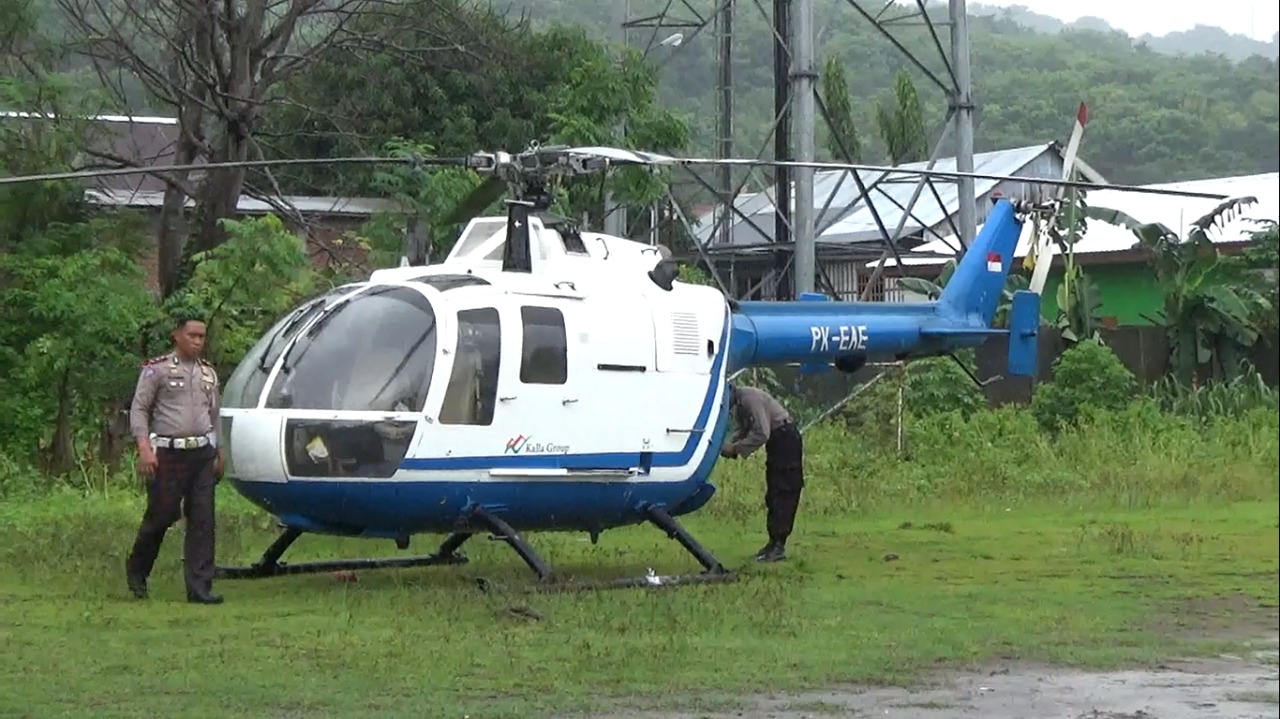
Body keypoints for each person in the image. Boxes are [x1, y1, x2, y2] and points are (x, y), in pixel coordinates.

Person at [124, 315, 225, 604]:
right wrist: (144, 447)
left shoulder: (209, 374)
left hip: (202, 454)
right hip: (169, 453)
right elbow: (140, 409)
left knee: (203, 519)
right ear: (176, 336)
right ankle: (137, 571)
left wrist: (219, 450)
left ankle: (200, 587)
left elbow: (214, 415)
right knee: (162, 515)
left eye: (202, 337)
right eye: (192, 335)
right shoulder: (157, 370)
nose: (197, 341)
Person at [719, 383, 804, 562]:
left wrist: (735, 449)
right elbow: (744, 430)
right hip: (777, 441)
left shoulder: (749, 399)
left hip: (784, 438)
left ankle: (778, 545)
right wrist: (724, 445)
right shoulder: (740, 404)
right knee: (773, 491)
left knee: (784, 490)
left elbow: (762, 432)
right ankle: (773, 543)